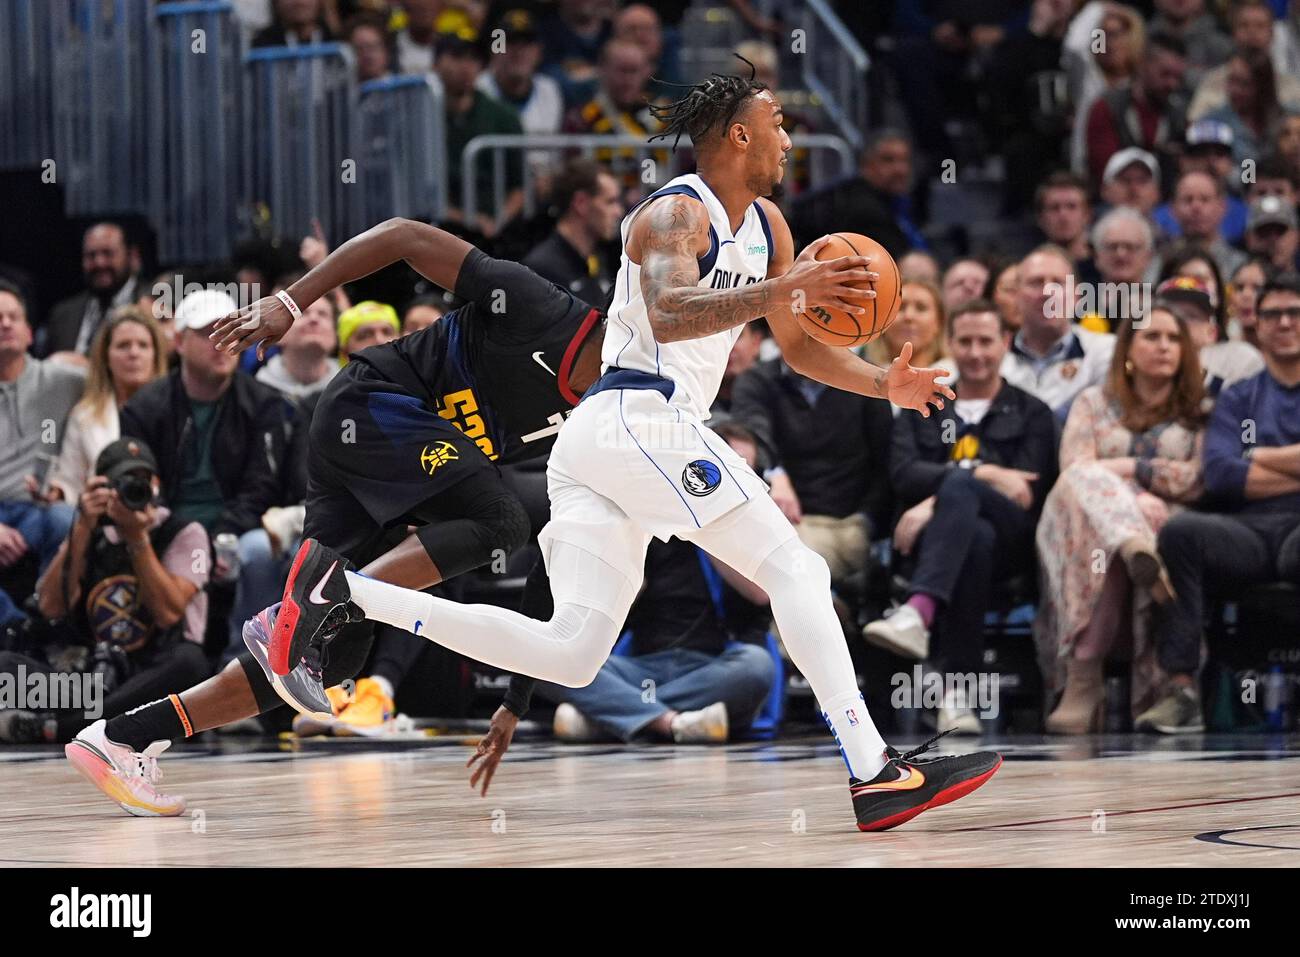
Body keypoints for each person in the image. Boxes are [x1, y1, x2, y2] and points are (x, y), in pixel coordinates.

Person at [219, 68, 1001, 831]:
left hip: (606, 444)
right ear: (738, 134)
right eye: (778, 122)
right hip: (639, 415)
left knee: (573, 653)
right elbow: (667, 311)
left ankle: (342, 591)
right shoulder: (673, 215)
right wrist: (785, 290)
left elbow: (798, 349)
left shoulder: (770, 229)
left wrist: (880, 384)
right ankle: (873, 770)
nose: (789, 137)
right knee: (797, 568)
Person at [65, 218, 609, 813]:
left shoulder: (601, 425)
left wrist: (515, 701)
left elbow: (551, 569)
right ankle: (328, 594)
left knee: (330, 654)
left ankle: (122, 737)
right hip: (372, 404)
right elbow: (402, 235)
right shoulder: (539, 306)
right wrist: (291, 299)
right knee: (500, 522)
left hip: (387, 458)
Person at [864, 300, 1058, 735]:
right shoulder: (923, 405)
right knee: (975, 541)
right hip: (949, 548)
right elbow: (902, 474)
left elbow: (1026, 493)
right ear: (949, 344)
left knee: (964, 489)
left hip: (1016, 546)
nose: (975, 353)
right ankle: (957, 698)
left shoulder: (1033, 413)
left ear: (1005, 344)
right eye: (965, 342)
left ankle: (918, 611)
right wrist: (987, 474)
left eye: (986, 342)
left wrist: (946, 493)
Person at [540, 423, 774, 744]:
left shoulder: (750, 525)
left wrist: (708, 525)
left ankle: (610, 715)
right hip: (640, 667)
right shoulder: (650, 515)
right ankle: (671, 722)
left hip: (711, 667)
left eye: (748, 469)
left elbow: (761, 593)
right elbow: (613, 604)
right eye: (730, 466)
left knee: (757, 667)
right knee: (544, 658)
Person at [1036, 305, 1207, 733]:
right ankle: (1131, 546)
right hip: (1089, 524)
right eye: (1151, 337)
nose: (1164, 346)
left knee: (1111, 538)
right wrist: (1134, 495)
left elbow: (1197, 479)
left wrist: (1130, 471)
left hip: (1164, 523)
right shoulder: (1093, 402)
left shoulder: (1201, 410)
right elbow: (1075, 471)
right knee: (1101, 529)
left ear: (1186, 351)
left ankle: (1084, 678)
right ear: (1127, 349)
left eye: (1173, 339)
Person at [1144, 274, 1300, 732]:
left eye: (1295, 313)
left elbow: (1242, 465)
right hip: (1247, 531)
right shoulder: (1238, 395)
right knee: (1181, 533)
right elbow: (1221, 474)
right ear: (1258, 324)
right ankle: (1182, 690)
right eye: (1273, 314)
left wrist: (1261, 456)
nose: (1285, 322)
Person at [0, 439, 210, 744]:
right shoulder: (90, 530)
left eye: (141, 480)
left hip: (153, 676)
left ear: (156, 485)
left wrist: (136, 538)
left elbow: (168, 613)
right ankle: (107, 723)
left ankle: (59, 729)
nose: (132, 490)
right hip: (95, 683)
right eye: (121, 482)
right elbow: (50, 608)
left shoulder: (185, 532)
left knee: (190, 664)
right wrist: (82, 526)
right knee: (5, 666)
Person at [0, 282, 86, 627]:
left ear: (29, 332)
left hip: (39, 509)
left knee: (66, 519)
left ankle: (53, 625)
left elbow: (115, 372)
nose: (5, 324)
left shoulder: (62, 379)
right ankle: (16, 627)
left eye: (13, 317)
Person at [46, 307, 168, 505]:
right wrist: (56, 492)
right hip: (101, 513)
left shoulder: (175, 408)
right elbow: (70, 481)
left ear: (155, 355)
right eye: (123, 346)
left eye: (143, 345)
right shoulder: (85, 414)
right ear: (106, 358)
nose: (134, 353)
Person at [1001, 246, 1116, 415]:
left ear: (1077, 296)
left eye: (1058, 283)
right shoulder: (993, 361)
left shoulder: (1107, 351)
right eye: (1036, 282)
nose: (1048, 293)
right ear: (1016, 295)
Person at [788, 130, 924, 259]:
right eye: (888, 160)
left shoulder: (899, 200)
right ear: (866, 164)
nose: (900, 169)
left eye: (904, 160)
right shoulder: (864, 210)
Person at [521, 158, 624, 309]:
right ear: (581, 203)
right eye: (610, 202)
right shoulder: (541, 270)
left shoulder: (600, 258)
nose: (618, 212)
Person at [41, 222, 141, 358]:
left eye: (108, 253)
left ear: (132, 256)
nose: (99, 262)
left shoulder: (152, 304)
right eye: (91, 255)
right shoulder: (62, 315)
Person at [254, 295, 339, 401]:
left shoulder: (349, 387)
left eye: (323, 314)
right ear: (279, 333)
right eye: (302, 313)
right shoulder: (255, 391)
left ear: (336, 334)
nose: (314, 319)